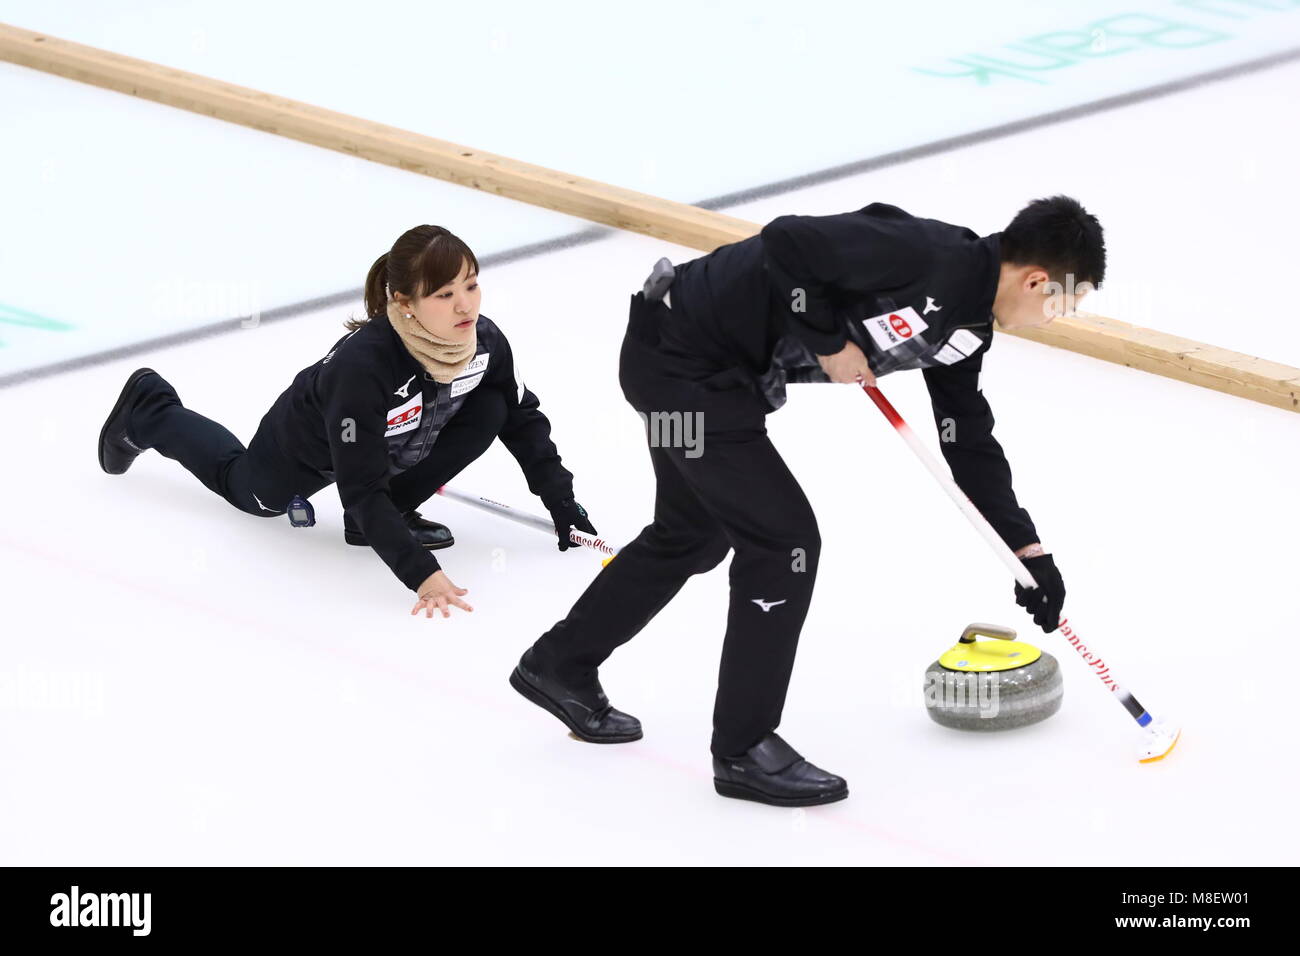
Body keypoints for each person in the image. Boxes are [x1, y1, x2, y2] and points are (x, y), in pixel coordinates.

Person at [510, 196, 1104, 807]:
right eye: (1064, 303)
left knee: (693, 531)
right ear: (1037, 280)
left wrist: (1026, 551)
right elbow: (789, 242)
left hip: (703, 379)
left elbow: (968, 442)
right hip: (678, 369)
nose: (1056, 318)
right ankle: (742, 749)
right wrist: (828, 340)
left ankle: (559, 664)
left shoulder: (967, 331)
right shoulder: (928, 255)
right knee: (784, 544)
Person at [97, 225, 596, 618]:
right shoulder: (364, 368)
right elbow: (357, 488)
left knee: (495, 407)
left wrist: (562, 504)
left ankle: (381, 522)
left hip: (393, 439)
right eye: (444, 294)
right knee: (248, 492)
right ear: (405, 303)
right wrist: (421, 572)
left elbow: (524, 422)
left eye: (470, 284)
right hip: (310, 446)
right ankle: (151, 409)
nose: (465, 304)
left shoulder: (483, 343)